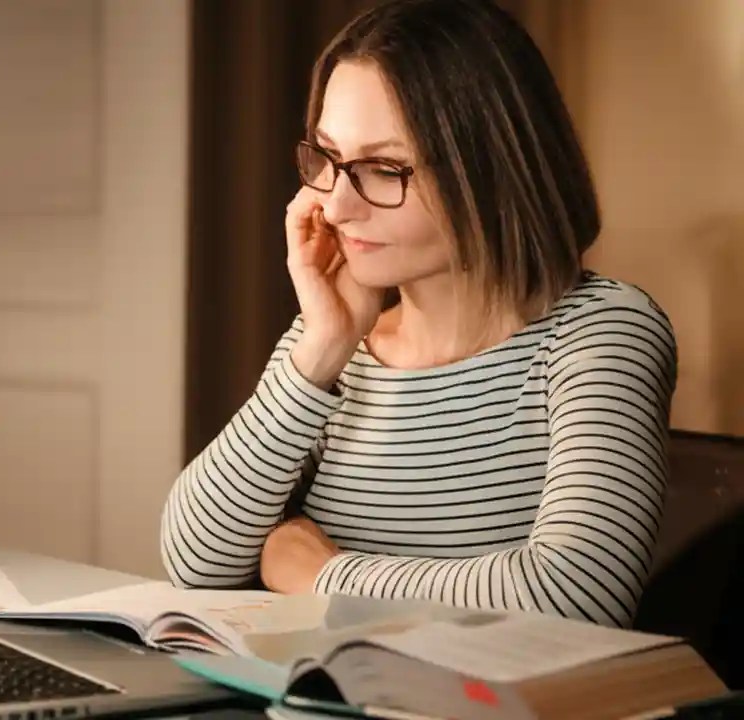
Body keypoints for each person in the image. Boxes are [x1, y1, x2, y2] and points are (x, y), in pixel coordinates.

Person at [159, 0, 677, 628]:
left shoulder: (601, 332)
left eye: (383, 169)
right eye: (326, 159)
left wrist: (319, 575)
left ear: (491, 169)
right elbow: (193, 563)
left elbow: (574, 595)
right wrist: (320, 348)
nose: (338, 205)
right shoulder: (337, 343)